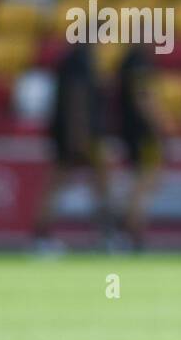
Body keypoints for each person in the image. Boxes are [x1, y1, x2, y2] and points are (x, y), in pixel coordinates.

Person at [34, 40, 112, 251]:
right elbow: (77, 99)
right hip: (80, 134)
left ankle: (41, 236)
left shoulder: (73, 59)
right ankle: (107, 235)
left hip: (71, 132)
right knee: (95, 184)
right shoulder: (80, 61)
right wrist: (79, 136)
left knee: (93, 184)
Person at [113, 42, 166, 251]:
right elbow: (144, 99)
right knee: (144, 183)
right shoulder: (139, 63)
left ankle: (126, 234)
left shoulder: (126, 61)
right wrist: (160, 125)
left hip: (130, 130)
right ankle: (130, 235)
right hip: (143, 133)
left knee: (139, 183)